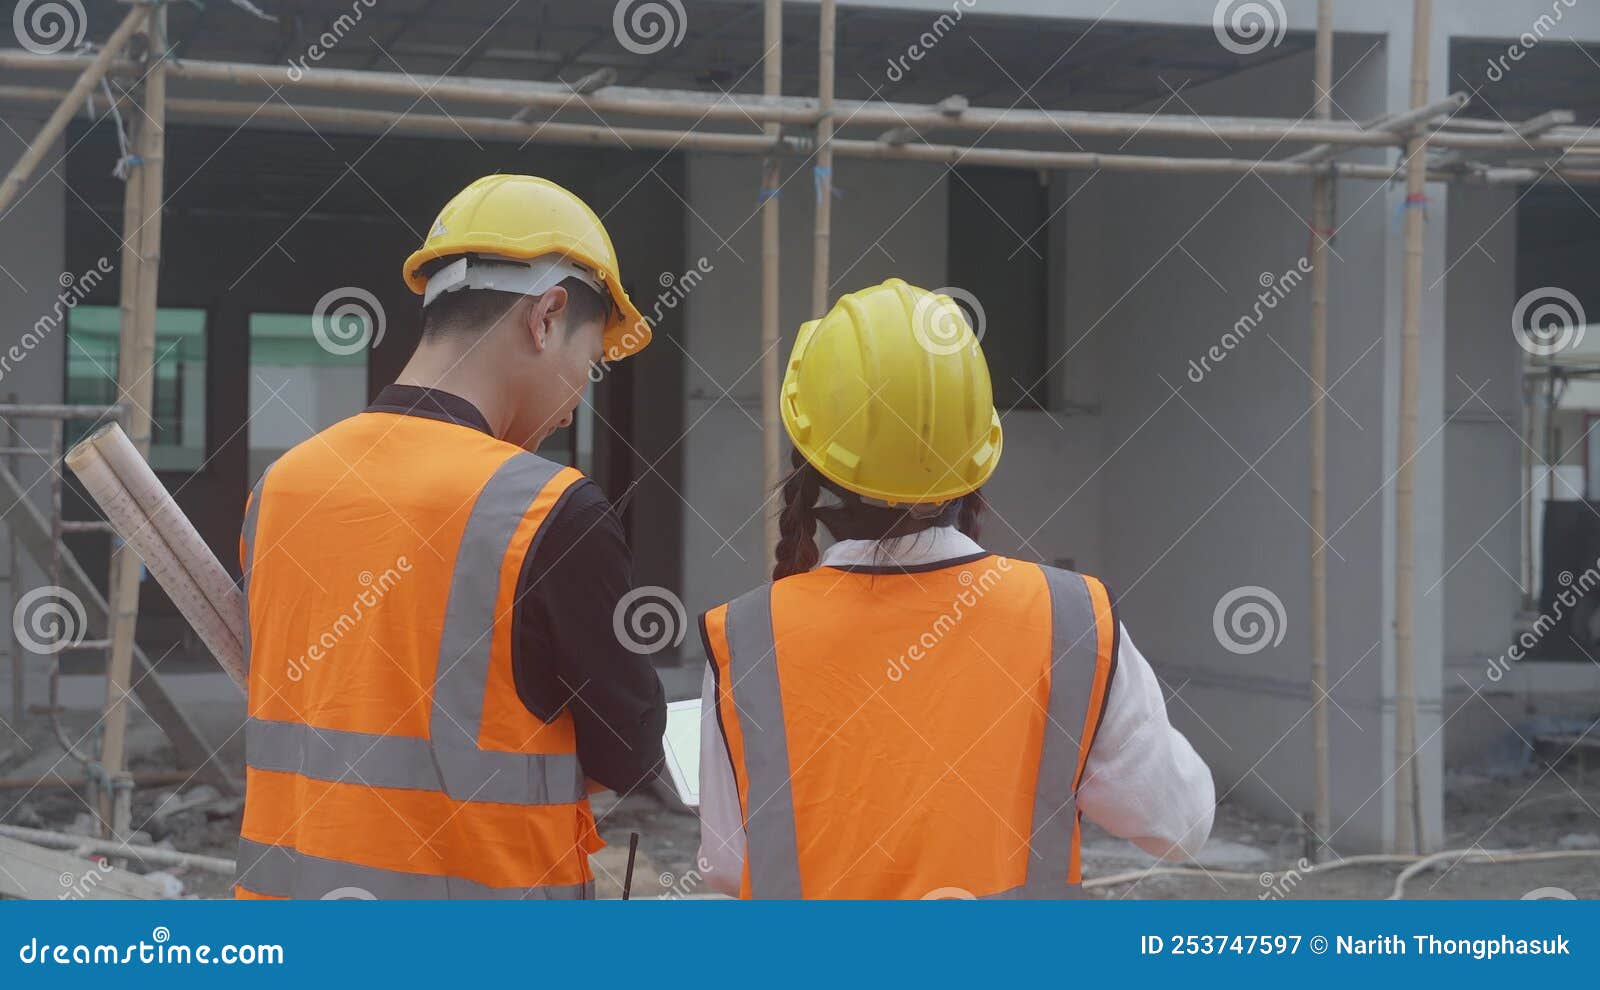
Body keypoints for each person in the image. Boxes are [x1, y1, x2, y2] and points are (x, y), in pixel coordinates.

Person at [695, 278, 1214, 899]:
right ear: (978, 455)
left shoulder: (745, 638)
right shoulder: (1072, 620)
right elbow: (1180, 826)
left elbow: (727, 866)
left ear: (813, 458)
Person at [234, 174, 666, 899]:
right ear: (547, 316)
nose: (573, 406)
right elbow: (629, 751)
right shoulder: (548, 509)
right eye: (588, 364)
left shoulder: (279, 488)